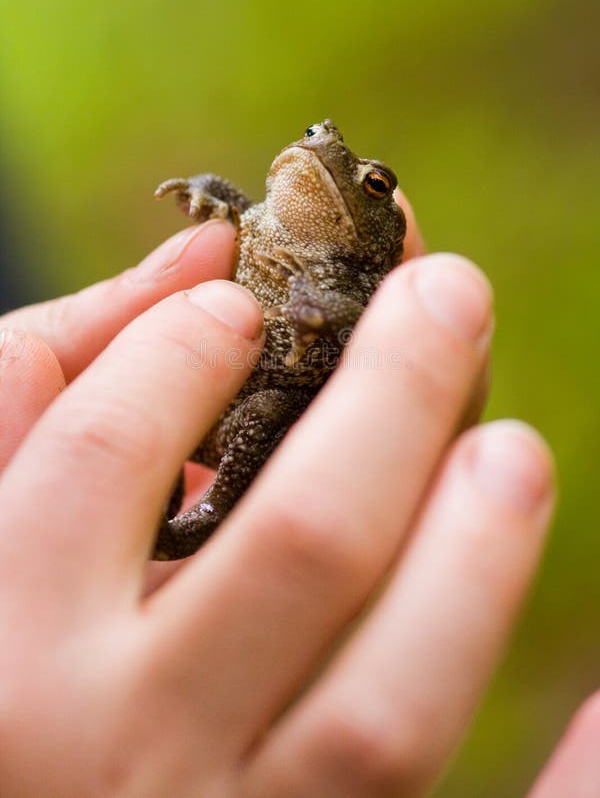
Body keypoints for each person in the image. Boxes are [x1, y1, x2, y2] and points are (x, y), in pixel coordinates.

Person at [0, 195, 589, 797]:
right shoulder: (268, 218)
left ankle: (184, 523)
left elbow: (343, 315)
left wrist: (317, 314)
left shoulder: (354, 268)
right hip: (212, 384)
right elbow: (238, 215)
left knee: (250, 424)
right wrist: (213, 198)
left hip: (270, 399)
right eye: (310, 134)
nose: (319, 144)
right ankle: (169, 523)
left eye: (374, 183)